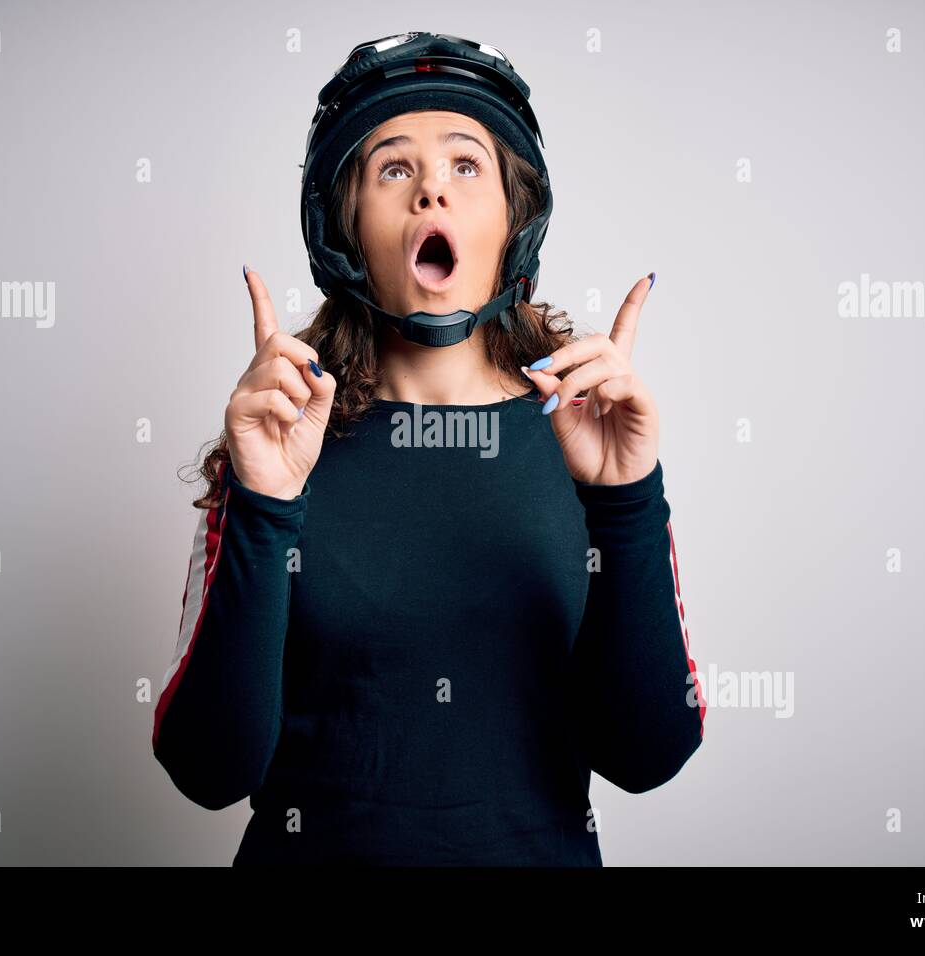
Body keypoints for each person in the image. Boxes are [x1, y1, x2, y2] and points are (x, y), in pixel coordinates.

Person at [152, 32, 706, 866]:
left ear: (513, 218)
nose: (431, 196)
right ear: (346, 228)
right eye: (394, 169)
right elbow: (207, 769)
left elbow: (648, 754)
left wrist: (626, 499)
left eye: (465, 165)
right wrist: (264, 506)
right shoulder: (275, 445)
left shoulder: (588, 439)